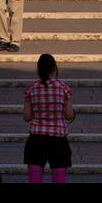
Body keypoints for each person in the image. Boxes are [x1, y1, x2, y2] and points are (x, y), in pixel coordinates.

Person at [23, 52, 75, 183]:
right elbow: (69, 116)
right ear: (54, 69)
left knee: (34, 179)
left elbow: (27, 117)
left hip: (36, 139)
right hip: (58, 140)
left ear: (38, 69)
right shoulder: (64, 88)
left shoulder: (31, 89)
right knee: (59, 179)